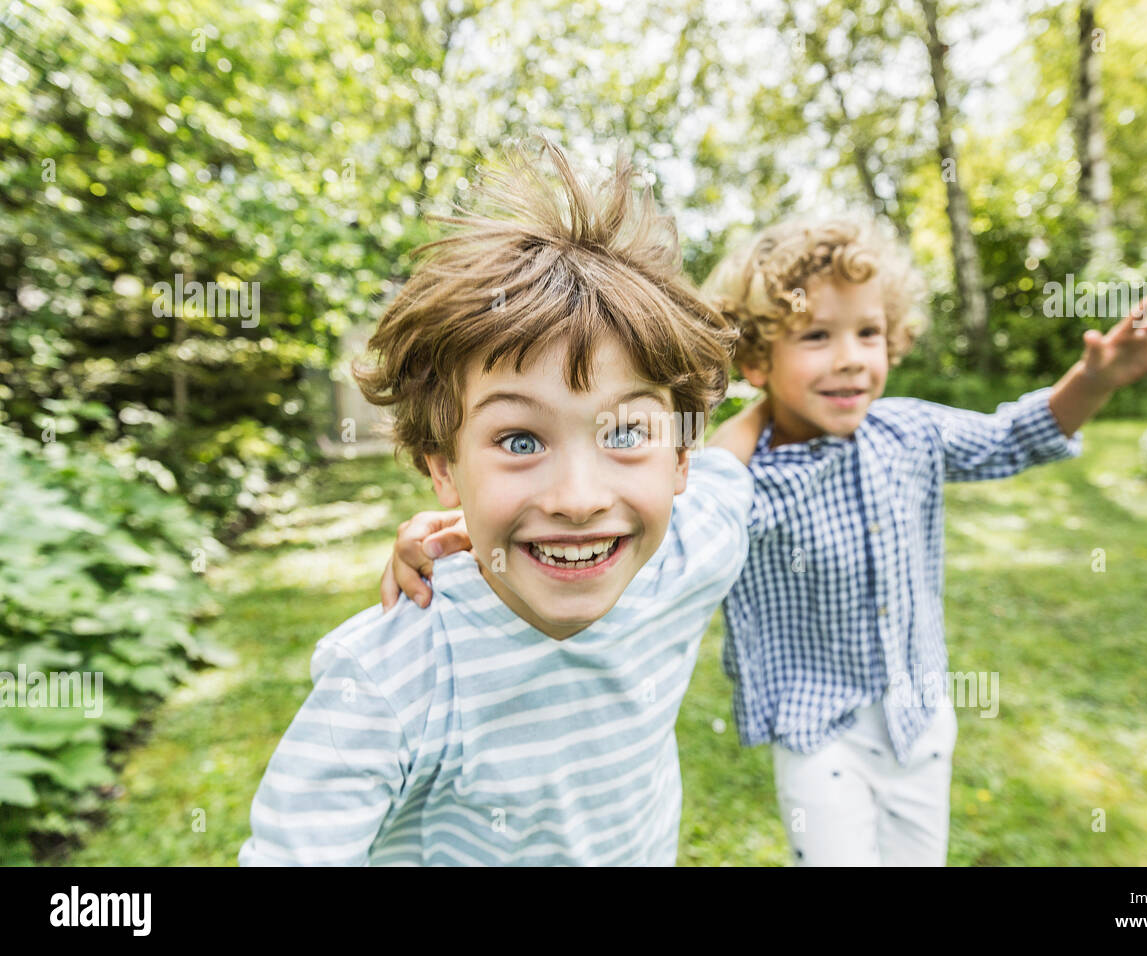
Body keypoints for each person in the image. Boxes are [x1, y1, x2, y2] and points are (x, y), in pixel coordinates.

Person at [382, 213, 1147, 866]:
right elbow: (628, 529)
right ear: (754, 357)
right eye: (816, 337)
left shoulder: (911, 432)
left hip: (921, 717)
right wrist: (464, 532)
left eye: (869, 333)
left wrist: (1091, 381)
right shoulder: (739, 477)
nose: (850, 359)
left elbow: (1011, 437)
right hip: (816, 731)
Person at [238, 138, 765, 865]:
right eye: (520, 441)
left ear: (680, 456)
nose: (579, 500)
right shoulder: (400, 672)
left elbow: (733, 468)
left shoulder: (688, 553)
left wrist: (781, 404)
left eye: (624, 433)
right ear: (443, 469)